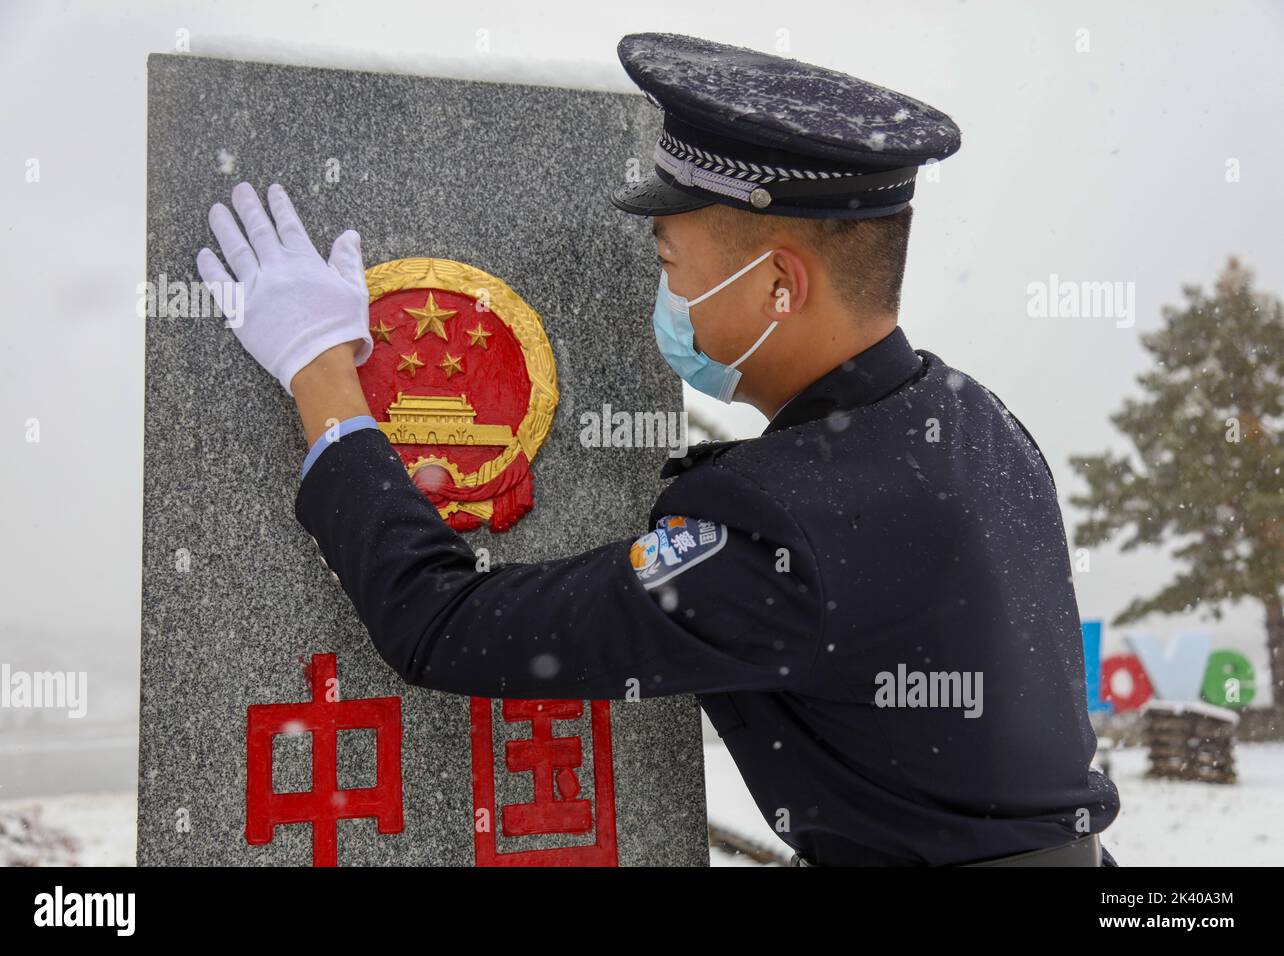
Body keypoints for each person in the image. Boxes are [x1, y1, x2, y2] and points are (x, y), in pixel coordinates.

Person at [196, 33, 1119, 866]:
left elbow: (442, 626)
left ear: (780, 286)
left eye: (671, 263)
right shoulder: (972, 421)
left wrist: (323, 379)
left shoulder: (782, 527)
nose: (663, 296)